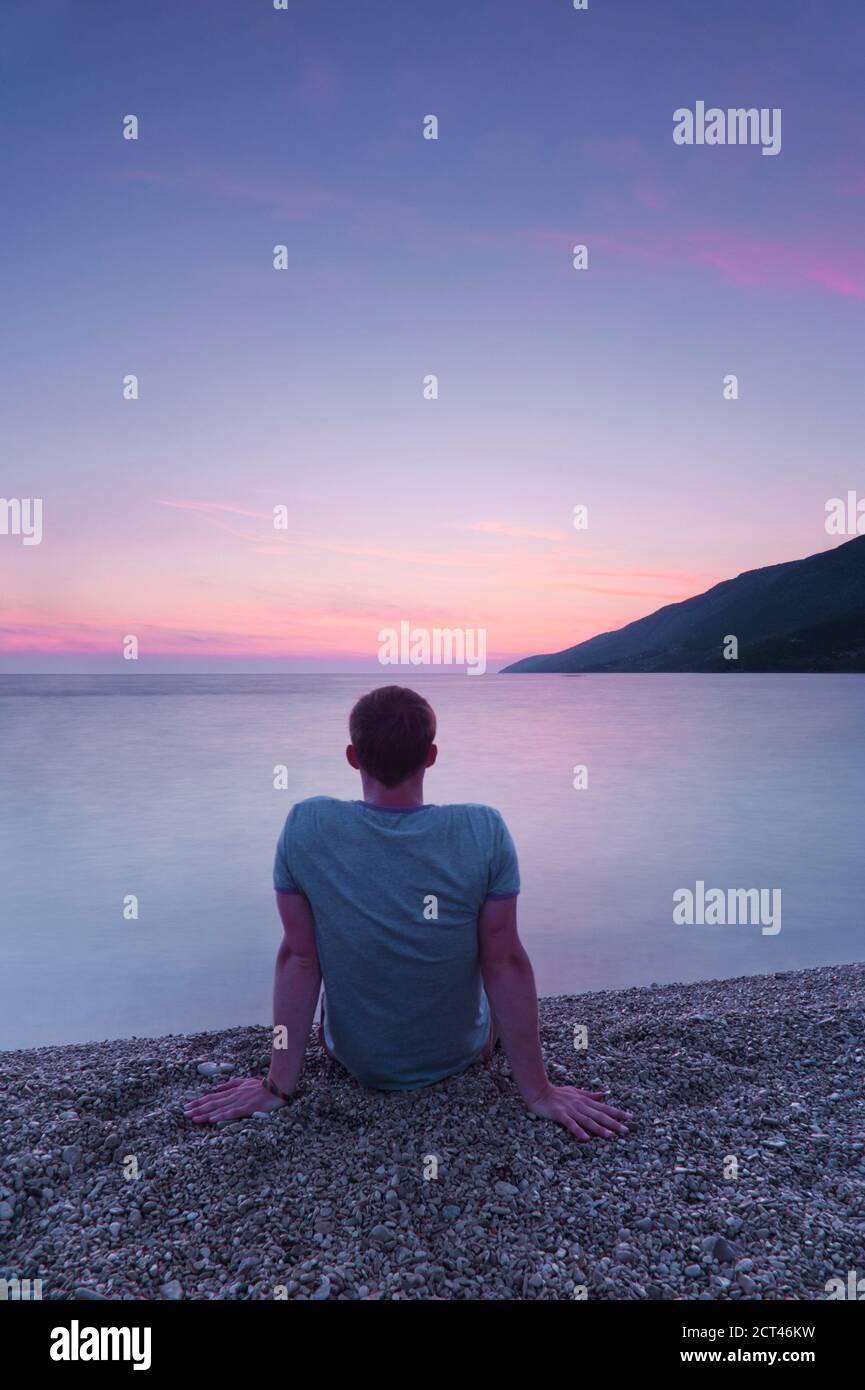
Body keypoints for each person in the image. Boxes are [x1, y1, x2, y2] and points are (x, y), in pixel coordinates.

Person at [185, 685, 631, 1141]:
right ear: (431, 755)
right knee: (483, 964)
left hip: (356, 1060)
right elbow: (504, 962)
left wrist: (278, 1085)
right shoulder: (483, 830)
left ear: (353, 756)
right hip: (460, 1054)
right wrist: (539, 1092)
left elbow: (300, 961)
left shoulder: (307, 826)